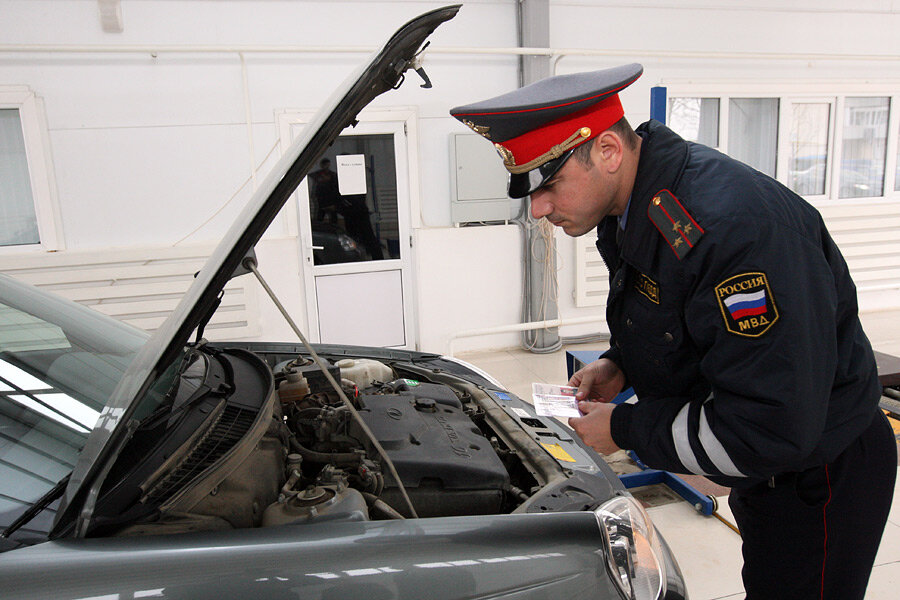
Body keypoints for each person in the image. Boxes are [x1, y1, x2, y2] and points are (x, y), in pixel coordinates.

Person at [450, 64, 897, 599]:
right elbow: (683, 315)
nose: (539, 209)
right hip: (770, 471)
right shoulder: (639, 209)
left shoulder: (733, 233)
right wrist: (621, 364)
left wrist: (626, 429)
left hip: (819, 473)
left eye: (549, 185)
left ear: (609, 151)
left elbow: (771, 426)